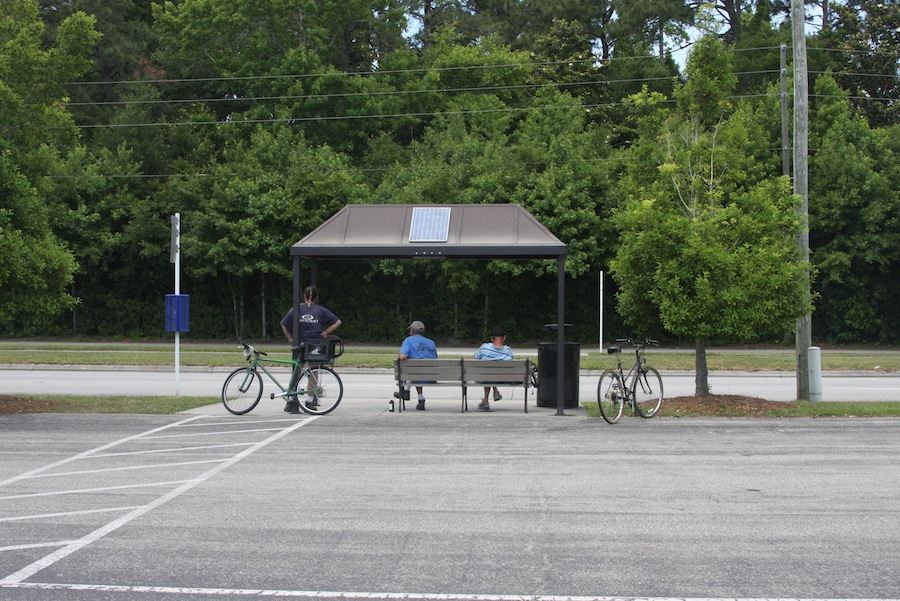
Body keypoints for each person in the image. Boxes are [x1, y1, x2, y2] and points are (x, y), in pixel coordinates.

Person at [280, 285, 341, 414]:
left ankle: (291, 400)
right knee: (314, 371)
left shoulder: (295, 310)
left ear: (304, 296)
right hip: (315, 345)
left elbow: (283, 324)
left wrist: (290, 338)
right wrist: (325, 332)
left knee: (297, 371)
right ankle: (309, 400)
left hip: (300, 344)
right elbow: (337, 322)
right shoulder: (321, 310)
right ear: (316, 298)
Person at [394, 320, 438, 411]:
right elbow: (435, 358)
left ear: (413, 330)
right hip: (432, 377)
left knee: (408, 367)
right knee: (417, 370)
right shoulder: (431, 342)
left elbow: (403, 357)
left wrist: (399, 356)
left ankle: (405, 391)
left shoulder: (408, 340)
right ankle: (420, 399)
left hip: (416, 375)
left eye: (410, 329)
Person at [473, 326, 514, 411]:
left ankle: (486, 400)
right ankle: (494, 392)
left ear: (491, 338)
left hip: (483, 378)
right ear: (504, 338)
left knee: (488, 373)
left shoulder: (484, 347)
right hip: (502, 378)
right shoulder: (508, 351)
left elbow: (476, 357)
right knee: (492, 373)